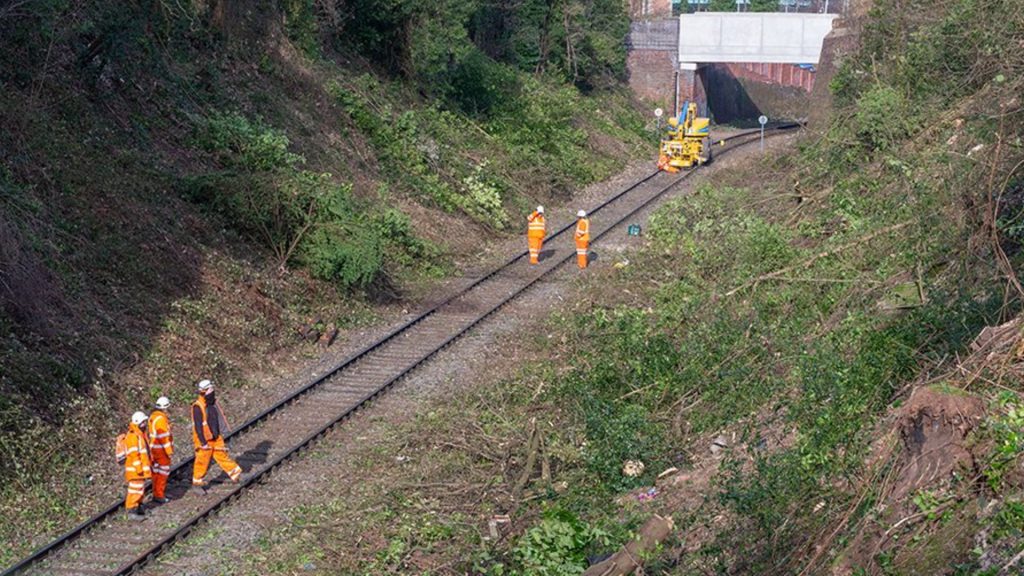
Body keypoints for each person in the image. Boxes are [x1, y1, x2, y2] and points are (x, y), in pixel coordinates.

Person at [190, 379, 242, 490]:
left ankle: (235, 474)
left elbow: (218, 418)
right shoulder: (198, 406)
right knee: (202, 461)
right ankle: (197, 482)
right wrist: (203, 443)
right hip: (204, 439)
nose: (213, 391)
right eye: (211, 389)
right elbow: (198, 426)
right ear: (205, 391)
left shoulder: (212, 402)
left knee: (222, 455)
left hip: (215, 437)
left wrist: (222, 432)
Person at [122, 411, 152, 520]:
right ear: (138, 422)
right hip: (135, 471)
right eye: (143, 422)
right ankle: (131, 510)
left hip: (138, 470)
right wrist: (140, 469)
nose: (145, 424)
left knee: (139, 490)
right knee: (135, 490)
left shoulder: (139, 435)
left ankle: (138, 507)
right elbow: (134, 455)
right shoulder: (133, 436)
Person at [148, 396, 174, 503]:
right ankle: (159, 494)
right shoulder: (161, 419)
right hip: (161, 451)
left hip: (154, 449)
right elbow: (163, 437)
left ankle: (156, 492)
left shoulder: (153, 417)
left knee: (156, 472)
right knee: (163, 473)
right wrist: (169, 452)